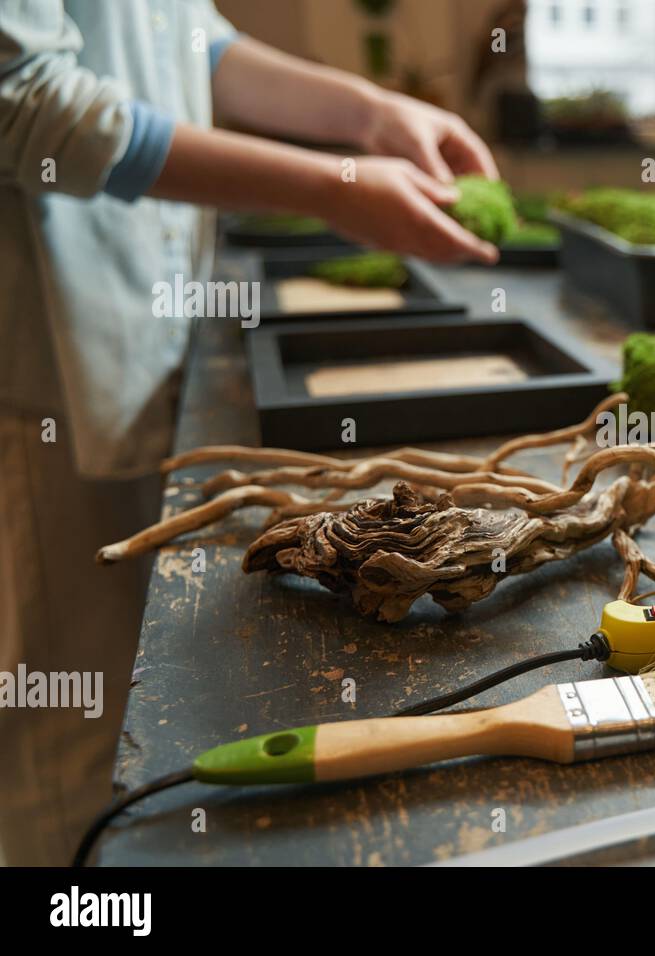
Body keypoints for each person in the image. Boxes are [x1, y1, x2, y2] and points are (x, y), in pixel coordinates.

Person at [0, 0, 501, 865]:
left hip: (149, 328)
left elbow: (196, 39)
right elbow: (28, 100)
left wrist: (371, 114)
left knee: (138, 688)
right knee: (69, 719)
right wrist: (330, 187)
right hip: (46, 362)